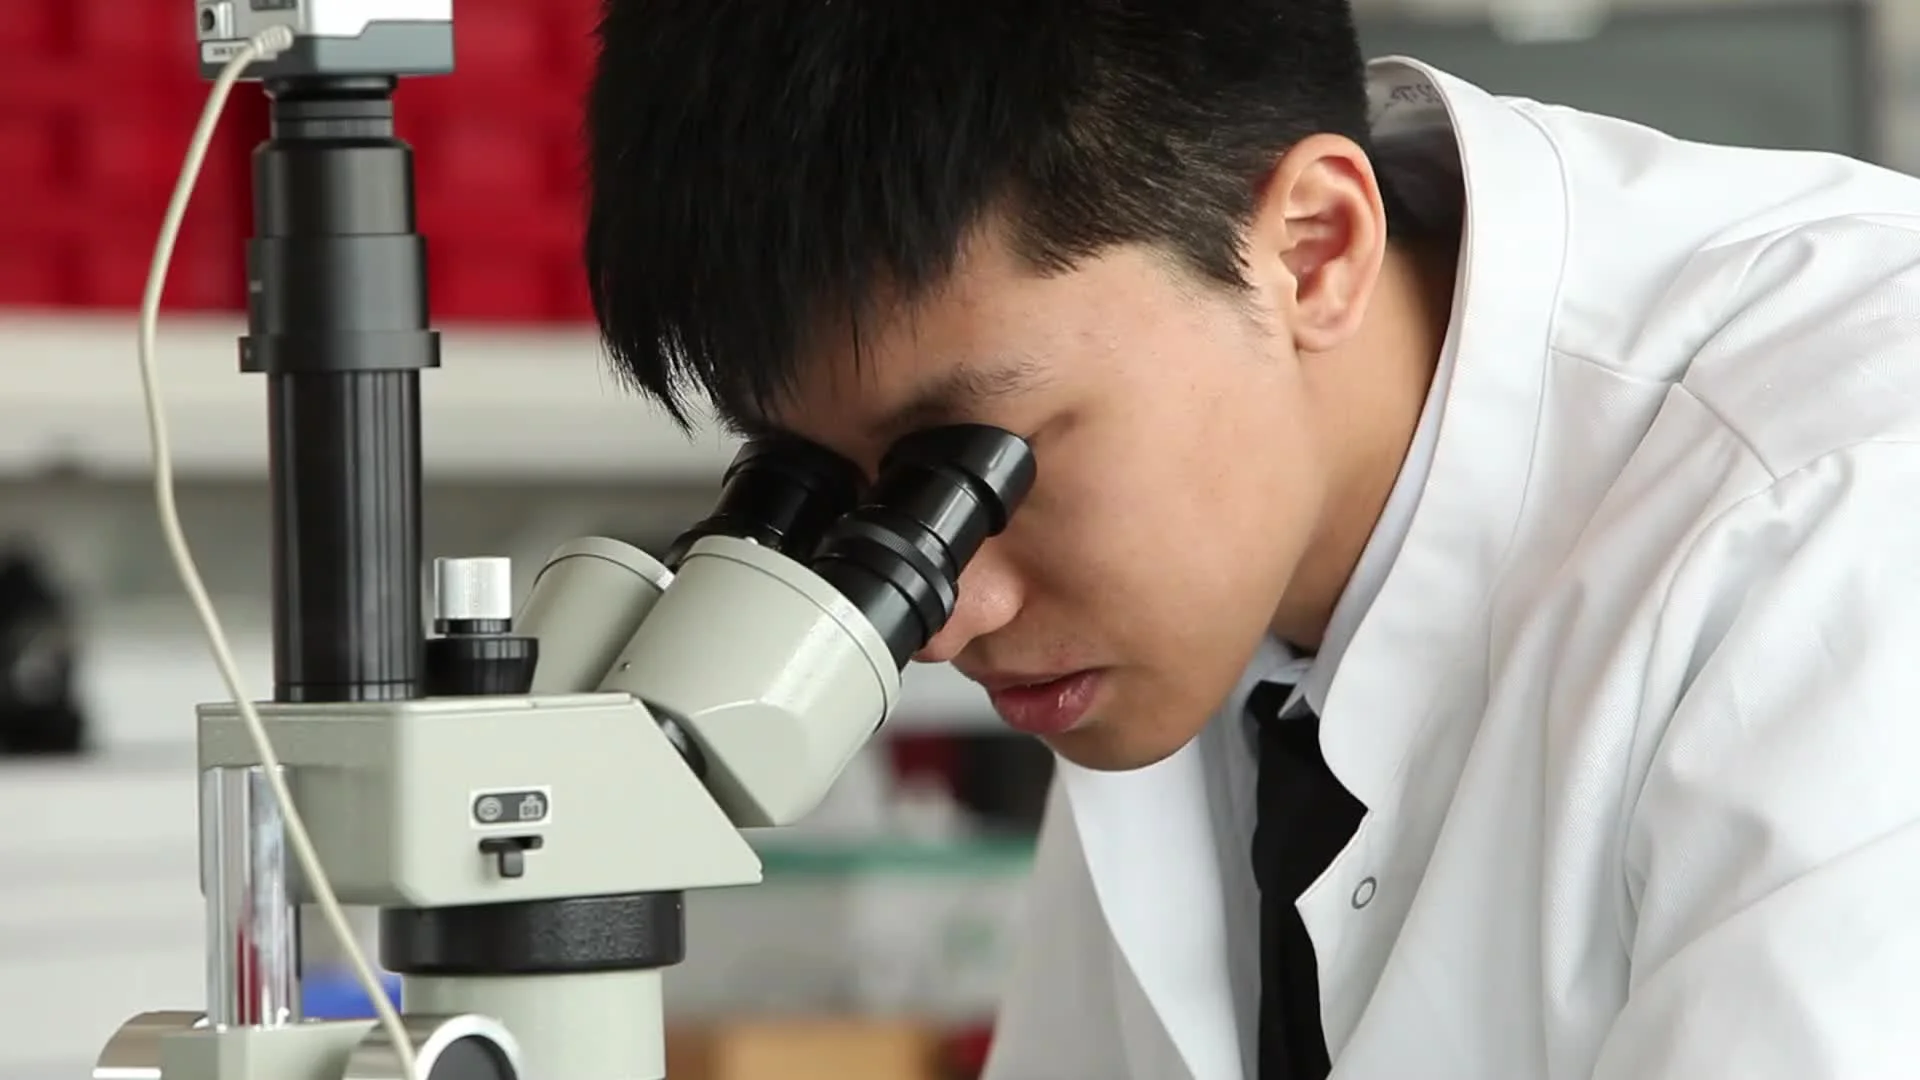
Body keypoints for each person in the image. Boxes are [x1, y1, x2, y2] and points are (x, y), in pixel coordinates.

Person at [584, 2, 1920, 1077]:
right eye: (838, 491)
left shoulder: (1838, 506)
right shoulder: (1193, 564)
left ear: (1313, 246)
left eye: (971, 469)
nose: (942, 614)